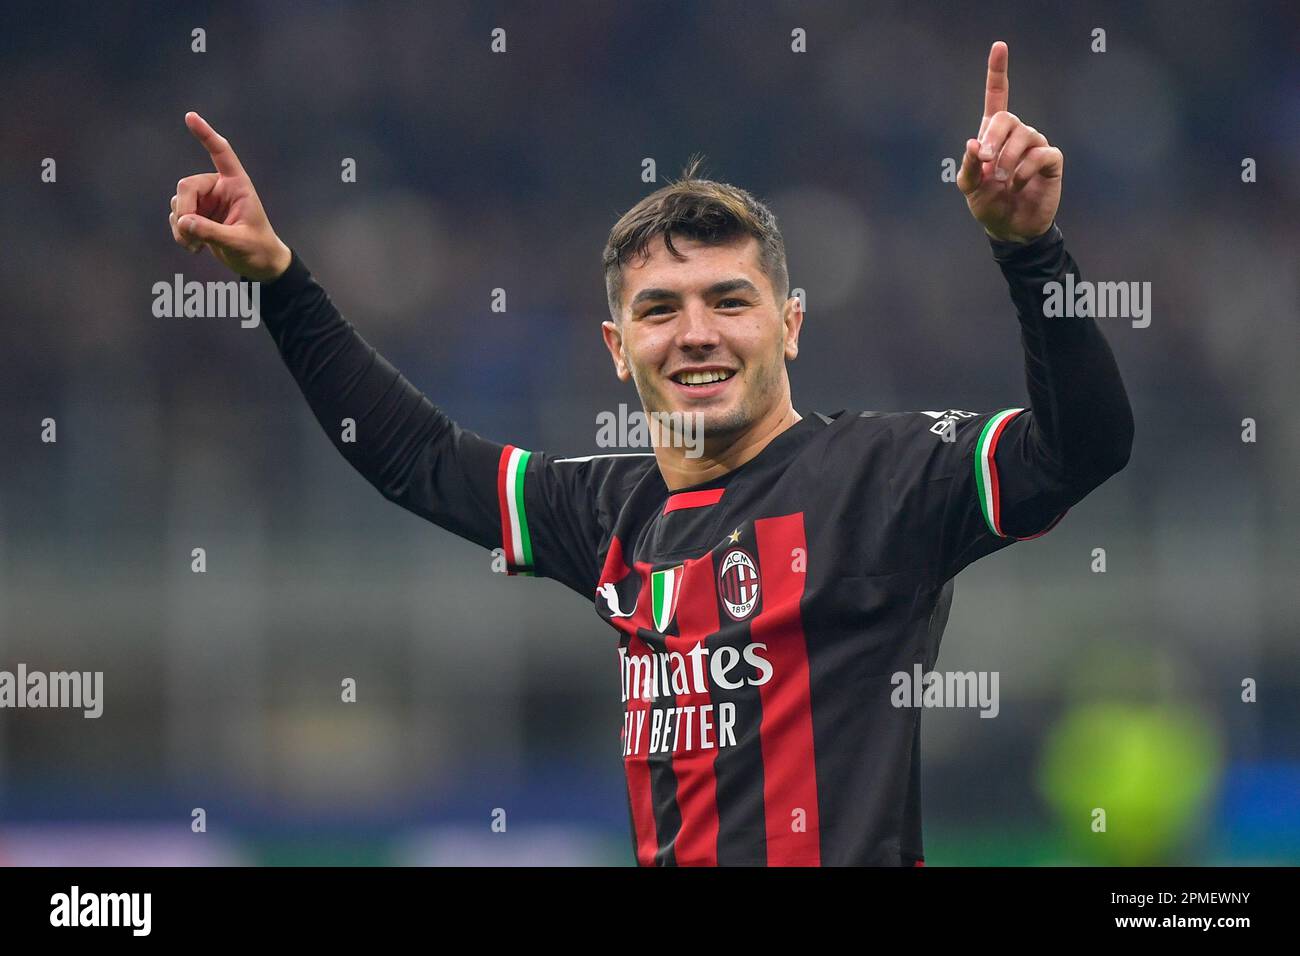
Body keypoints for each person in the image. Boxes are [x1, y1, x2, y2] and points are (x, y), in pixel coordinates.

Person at [167, 40, 1133, 866]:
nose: (697, 333)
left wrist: (1031, 251)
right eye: (660, 310)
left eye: (731, 300)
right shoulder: (604, 512)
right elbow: (411, 457)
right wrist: (277, 279)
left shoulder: (887, 477)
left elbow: (1083, 448)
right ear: (617, 346)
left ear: (790, 325)